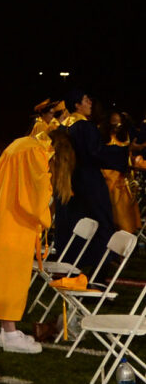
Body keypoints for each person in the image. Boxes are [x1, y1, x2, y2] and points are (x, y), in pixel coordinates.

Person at [0, 127, 75, 352]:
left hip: (4, 216)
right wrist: (48, 211)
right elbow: (34, 198)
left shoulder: (23, 144)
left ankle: (8, 330)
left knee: (5, 277)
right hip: (14, 223)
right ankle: (9, 335)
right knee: (10, 279)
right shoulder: (35, 153)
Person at [54, 90, 127, 274]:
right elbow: (96, 153)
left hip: (70, 182)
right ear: (77, 105)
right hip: (89, 183)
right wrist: (123, 153)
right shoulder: (84, 126)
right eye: (86, 100)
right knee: (101, 223)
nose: (90, 103)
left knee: (75, 225)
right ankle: (98, 271)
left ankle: (72, 268)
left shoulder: (64, 126)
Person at [101, 111, 142, 233]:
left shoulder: (125, 137)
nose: (116, 127)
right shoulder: (104, 139)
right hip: (110, 183)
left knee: (127, 221)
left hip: (124, 182)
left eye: (119, 124)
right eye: (113, 124)